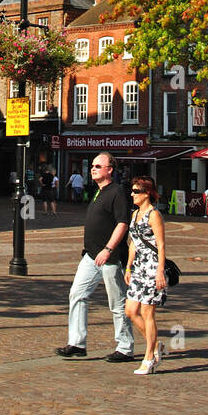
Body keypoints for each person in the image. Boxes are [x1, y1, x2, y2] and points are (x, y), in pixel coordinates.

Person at [56, 152, 134, 362]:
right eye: (92, 166)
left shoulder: (117, 191)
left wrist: (108, 249)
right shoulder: (99, 192)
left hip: (110, 257)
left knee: (117, 303)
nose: (93, 169)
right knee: (77, 294)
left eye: (98, 166)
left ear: (110, 169)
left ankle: (125, 347)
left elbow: (122, 223)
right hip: (91, 256)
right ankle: (77, 342)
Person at [124, 178, 168, 375]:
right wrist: (128, 267)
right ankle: (156, 345)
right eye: (132, 191)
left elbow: (160, 244)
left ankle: (149, 358)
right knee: (130, 311)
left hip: (152, 266)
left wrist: (160, 271)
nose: (132, 194)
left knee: (147, 312)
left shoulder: (154, 215)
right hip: (139, 267)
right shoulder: (134, 214)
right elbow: (133, 242)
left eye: (136, 191)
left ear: (146, 193)